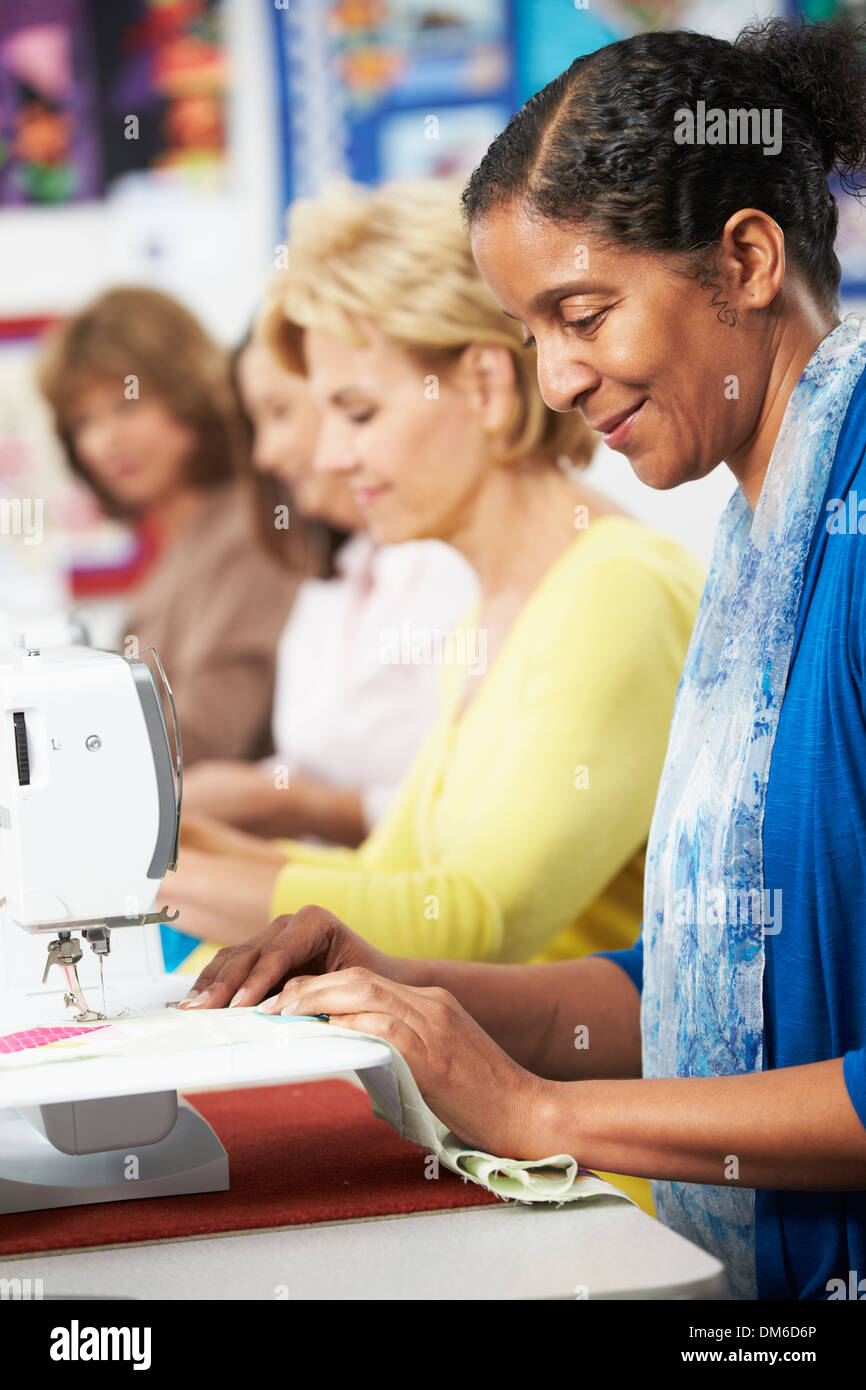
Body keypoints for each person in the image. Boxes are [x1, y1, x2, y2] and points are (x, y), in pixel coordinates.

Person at [181, 18, 866, 1300]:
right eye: (531, 327)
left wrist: (538, 1113)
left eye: (581, 312)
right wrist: (405, 984)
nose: (552, 374)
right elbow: (717, 978)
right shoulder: (764, 537)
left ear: (748, 259)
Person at [168, 176, 702, 974]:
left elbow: (473, 926)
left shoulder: (617, 592)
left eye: (359, 413)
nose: (328, 456)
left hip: (576, 1087)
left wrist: (157, 877)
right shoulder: (495, 607)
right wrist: (177, 838)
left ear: (485, 386)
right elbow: (394, 881)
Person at [181, 330, 479, 843]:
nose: (264, 456)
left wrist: (301, 807)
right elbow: (305, 761)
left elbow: (479, 817)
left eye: (279, 413)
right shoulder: (335, 576)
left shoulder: (459, 570)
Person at [37, 286, 298, 764]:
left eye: (127, 406)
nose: (104, 441)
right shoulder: (174, 539)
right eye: (82, 422)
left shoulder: (248, 528)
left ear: (189, 395)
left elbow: (209, 732)